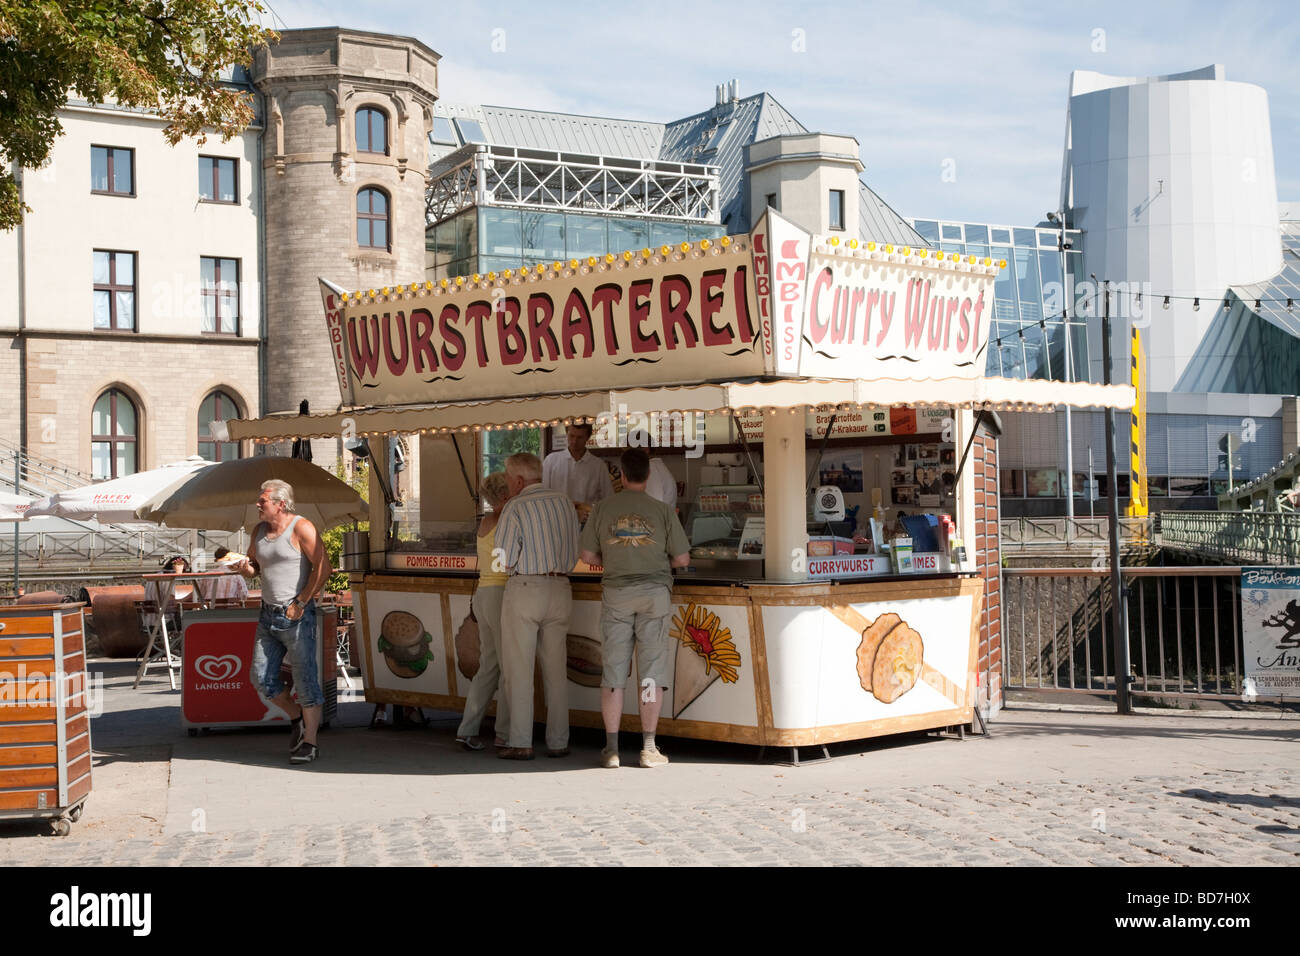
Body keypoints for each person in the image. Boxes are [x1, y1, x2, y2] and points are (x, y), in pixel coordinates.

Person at [579, 447, 690, 769]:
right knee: (651, 672)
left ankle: (612, 750)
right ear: (649, 475)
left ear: (623, 475)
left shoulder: (602, 508)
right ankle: (648, 748)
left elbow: (586, 556)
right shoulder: (663, 511)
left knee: (613, 672)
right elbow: (682, 559)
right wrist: (657, 564)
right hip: (654, 594)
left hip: (616, 594)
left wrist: (611, 562)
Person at [232, 479, 332, 765]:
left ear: (280, 503)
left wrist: (301, 602)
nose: (258, 504)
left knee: (306, 680)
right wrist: (244, 568)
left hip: (297, 615)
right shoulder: (259, 531)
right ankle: (296, 717)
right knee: (261, 678)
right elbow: (254, 568)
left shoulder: (301, 527)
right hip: (267, 614)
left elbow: (324, 567)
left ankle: (310, 743)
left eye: (263, 500)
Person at [494, 452, 580, 760]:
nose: (506, 483)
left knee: (520, 669)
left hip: (526, 588)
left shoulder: (516, 506)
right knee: (556, 672)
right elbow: (576, 549)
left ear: (518, 480)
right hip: (561, 588)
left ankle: (521, 741)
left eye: (507, 478)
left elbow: (503, 558)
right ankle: (558, 741)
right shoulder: (564, 502)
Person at [455, 472, 513, 751]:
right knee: (508, 665)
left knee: (489, 665)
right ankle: (505, 732)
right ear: (505, 496)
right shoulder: (506, 520)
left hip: (484, 593)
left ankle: (467, 728)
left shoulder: (485, 522)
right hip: (501, 593)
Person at [542, 423, 613, 522]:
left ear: (587, 438)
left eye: (579, 437)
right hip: (557, 521)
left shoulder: (598, 466)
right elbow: (543, 495)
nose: (574, 441)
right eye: (571, 436)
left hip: (587, 525)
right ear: (566, 433)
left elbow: (608, 500)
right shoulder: (551, 461)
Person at [142, 554, 190, 637]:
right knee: (190, 621)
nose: (184, 573)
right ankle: (184, 646)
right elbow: (171, 603)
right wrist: (187, 599)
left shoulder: (152, 578)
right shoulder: (168, 580)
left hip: (148, 622)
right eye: (184, 570)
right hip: (162, 622)